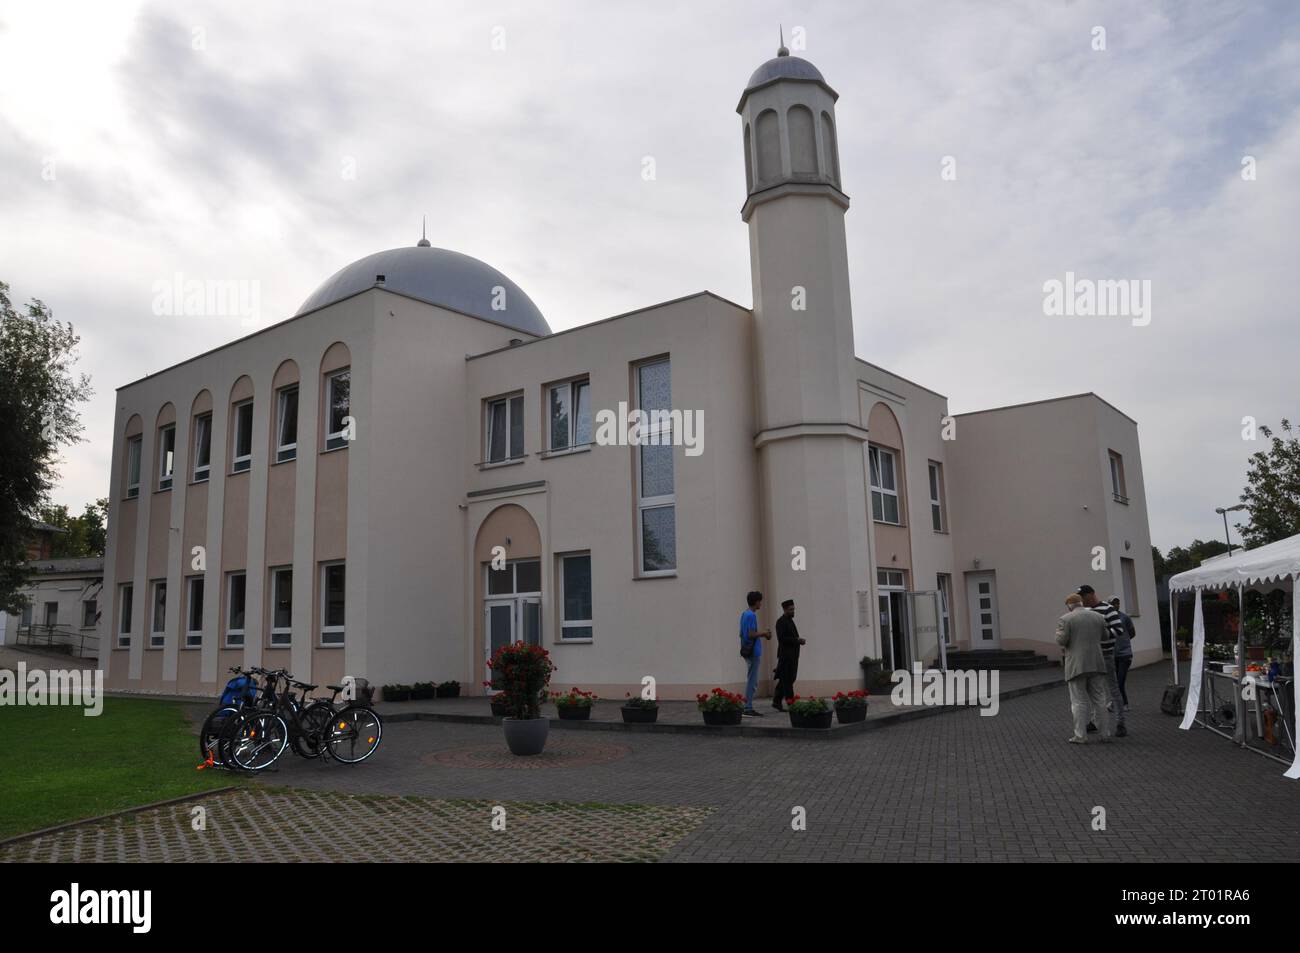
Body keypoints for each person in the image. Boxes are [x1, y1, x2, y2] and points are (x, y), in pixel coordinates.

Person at [1056, 592, 1111, 743]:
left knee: (1078, 701)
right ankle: (1105, 733)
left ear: (1069, 606)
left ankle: (1080, 735)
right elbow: (1105, 636)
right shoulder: (1098, 617)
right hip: (1096, 663)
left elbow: (1061, 640)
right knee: (1100, 699)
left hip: (1076, 665)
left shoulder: (1065, 619)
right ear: (1081, 603)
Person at [1078, 584, 1128, 737]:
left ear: (1092, 594)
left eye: (1083, 597)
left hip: (1106, 655)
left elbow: (1119, 630)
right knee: (1095, 690)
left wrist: (1100, 635)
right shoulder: (1085, 612)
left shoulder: (1108, 609)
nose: (1081, 600)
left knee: (1113, 689)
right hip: (1091, 656)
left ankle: (1121, 723)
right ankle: (1095, 721)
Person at [739, 591, 771, 716]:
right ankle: (747, 707)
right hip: (753, 651)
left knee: (751, 679)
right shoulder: (751, 615)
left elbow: (742, 633)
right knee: (752, 680)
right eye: (760, 601)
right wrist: (764, 633)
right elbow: (751, 634)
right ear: (756, 601)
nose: (761, 603)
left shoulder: (744, 614)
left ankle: (747, 706)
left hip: (747, 650)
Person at [772, 599, 806, 711]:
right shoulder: (781, 622)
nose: (793, 611)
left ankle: (776, 701)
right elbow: (782, 639)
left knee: (787, 679)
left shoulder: (790, 621)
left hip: (793, 656)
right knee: (787, 680)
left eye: (793, 609)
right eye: (791, 609)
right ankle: (791, 703)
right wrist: (797, 640)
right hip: (786, 656)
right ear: (785, 610)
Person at [1109, 596, 1135, 709]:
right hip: (1113, 655)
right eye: (1114, 603)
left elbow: (1132, 633)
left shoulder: (1125, 617)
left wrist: (1124, 642)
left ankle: (1122, 704)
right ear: (1109, 604)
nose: (1116, 605)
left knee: (1120, 681)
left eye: (1118, 603)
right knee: (1115, 682)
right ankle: (1120, 703)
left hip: (1125, 654)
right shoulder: (1106, 618)